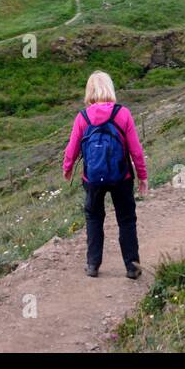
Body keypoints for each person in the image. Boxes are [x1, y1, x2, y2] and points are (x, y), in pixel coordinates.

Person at [63, 70, 147, 279]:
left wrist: (68, 168)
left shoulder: (82, 117)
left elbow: (72, 149)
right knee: (126, 219)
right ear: (109, 88)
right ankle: (132, 267)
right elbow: (135, 150)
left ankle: (93, 265)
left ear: (89, 91)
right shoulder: (123, 113)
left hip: (92, 179)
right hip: (122, 177)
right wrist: (142, 175)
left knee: (94, 218)